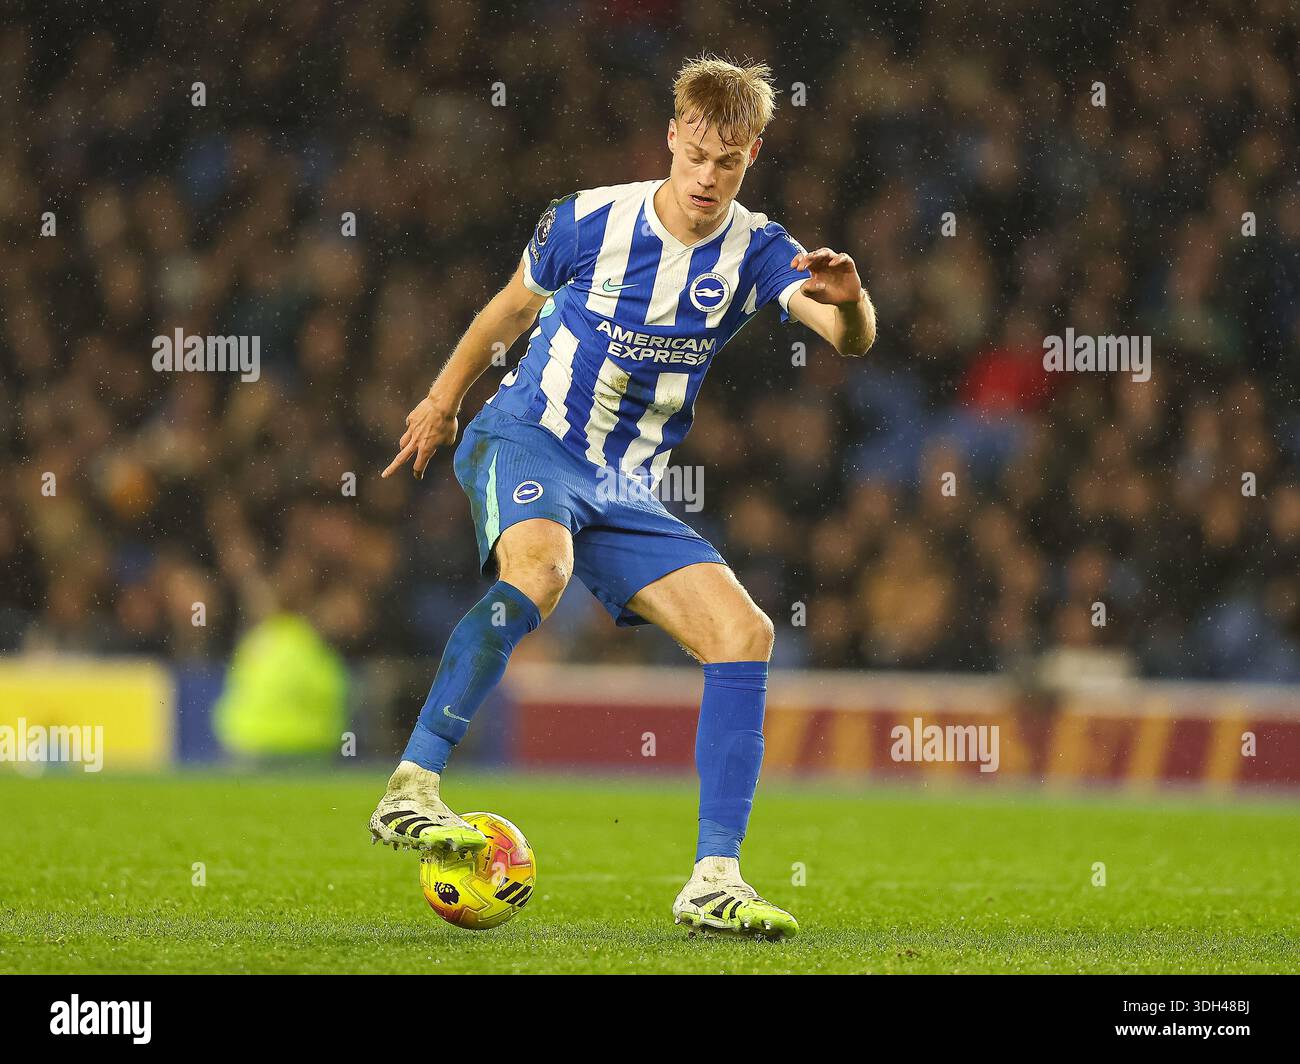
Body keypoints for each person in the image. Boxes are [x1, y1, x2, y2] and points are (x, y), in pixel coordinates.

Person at [370, 55, 875, 939]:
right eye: (698, 155)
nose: (709, 177)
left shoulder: (759, 248)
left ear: (753, 153)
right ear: (674, 136)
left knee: (743, 631)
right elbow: (506, 313)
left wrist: (855, 299)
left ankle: (714, 878)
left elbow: (846, 338)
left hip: (618, 484)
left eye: (730, 162)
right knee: (541, 569)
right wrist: (441, 401)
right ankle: (412, 784)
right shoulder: (589, 220)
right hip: (528, 434)